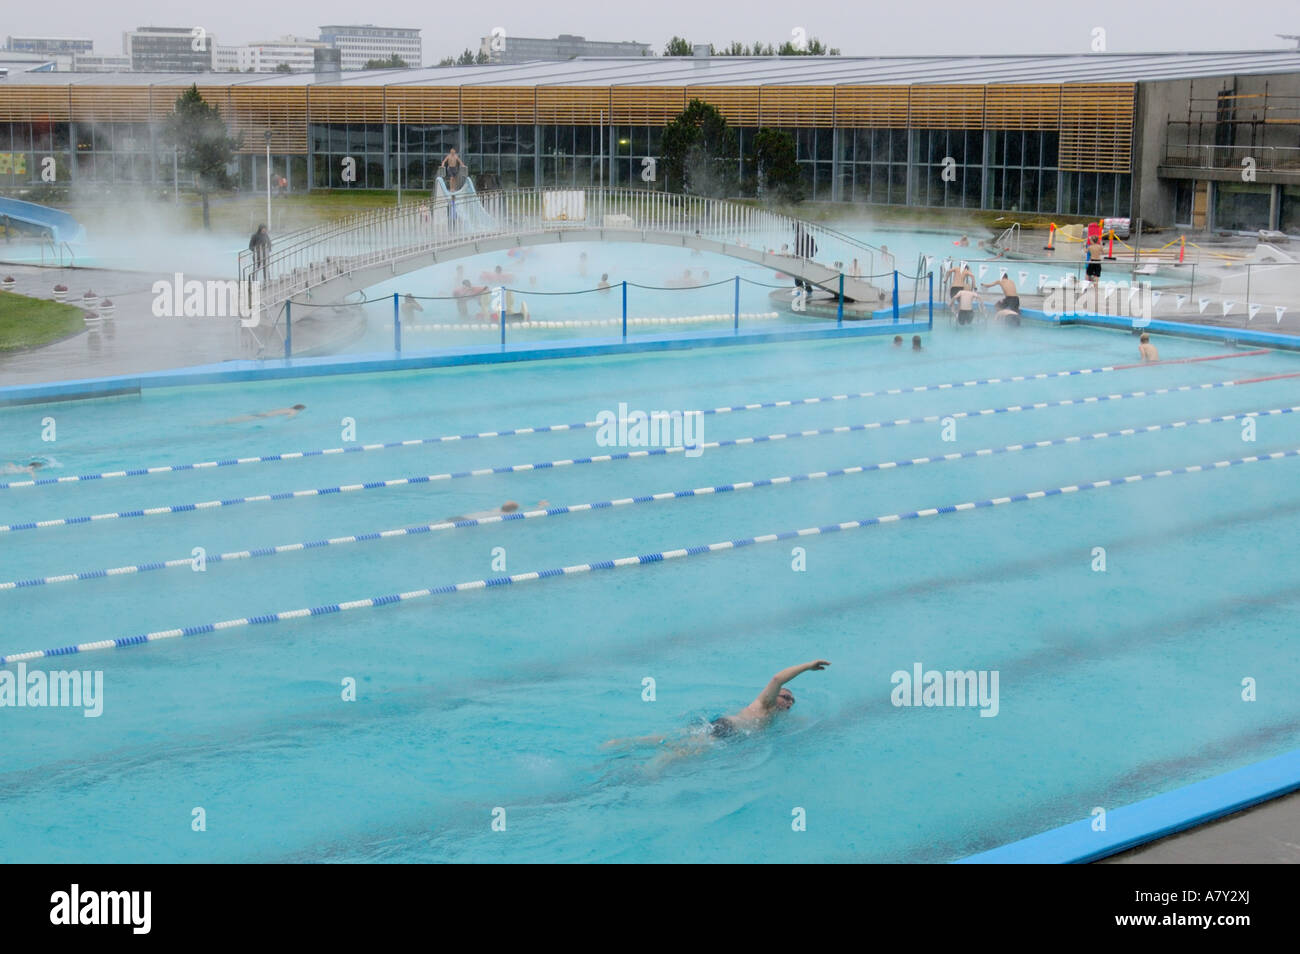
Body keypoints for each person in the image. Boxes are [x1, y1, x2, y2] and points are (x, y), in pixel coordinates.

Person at [605, 660, 831, 752]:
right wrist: (807, 666)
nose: (788, 701)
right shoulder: (765, 704)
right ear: (775, 696)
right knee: (686, 751)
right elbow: (777, 679)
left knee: (673, 738)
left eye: (791, 700)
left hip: (727, 729)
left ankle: (623, 743)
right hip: (728, 728)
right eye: (785, 696)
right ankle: (653, 768)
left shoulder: (778, 717)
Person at [220, 404, 305, 424]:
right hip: (268, 416)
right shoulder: (294, 411)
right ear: (300, 409)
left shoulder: (288, 408)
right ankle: (228, 421)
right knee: (247, 419)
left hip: (266, 413)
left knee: (249, 417)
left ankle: (228, 420)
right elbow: (288, 418)